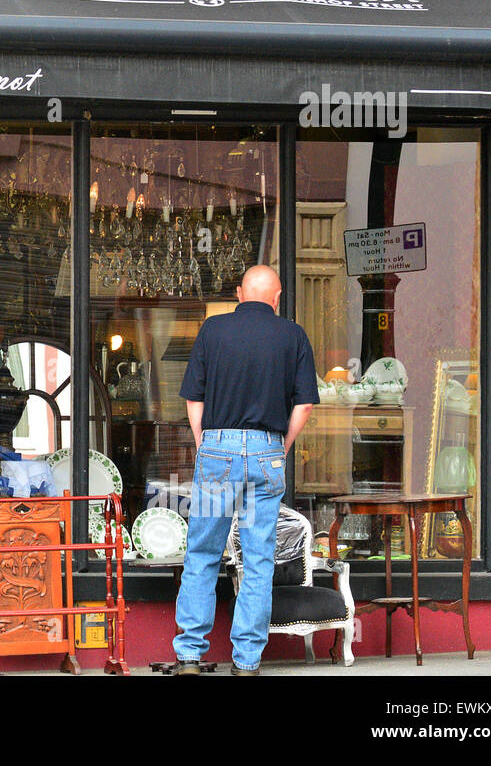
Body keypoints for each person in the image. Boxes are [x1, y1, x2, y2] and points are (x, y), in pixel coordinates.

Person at [171, 265, 318, 675]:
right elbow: (303, 405)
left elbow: (194, 398)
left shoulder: (213, 330)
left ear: (239, 293)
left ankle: (188, 655)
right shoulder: (293, 335)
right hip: (267, 450)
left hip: (217, 448)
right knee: (257, 558)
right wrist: (280, 448)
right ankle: (247, 661)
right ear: (278, 296)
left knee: (202, 551)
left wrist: (206, 444)